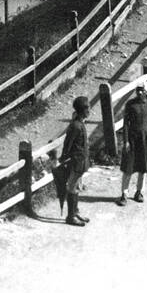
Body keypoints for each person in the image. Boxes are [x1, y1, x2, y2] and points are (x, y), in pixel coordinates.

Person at [115, 82, 147, 205]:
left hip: (145, 139)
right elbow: (126, 124)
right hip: (133, 140)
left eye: (142, 90)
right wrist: (126, 141)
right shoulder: (130, 104)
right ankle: (124, 194)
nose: (139, 92)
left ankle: (139, 192)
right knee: (128, 168)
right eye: (138, 90)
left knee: (143, 168)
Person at [61, 95, 91, 226]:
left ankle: (75, 211)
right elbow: (68, 144)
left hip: (82, 161)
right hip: (76, 161)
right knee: (72, 187)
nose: (89, 111)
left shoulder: (81, 123)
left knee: (77, 187)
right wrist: (63, 157)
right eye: (87, 108)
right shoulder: (75, 126)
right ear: (82, 110)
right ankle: (70, 217)